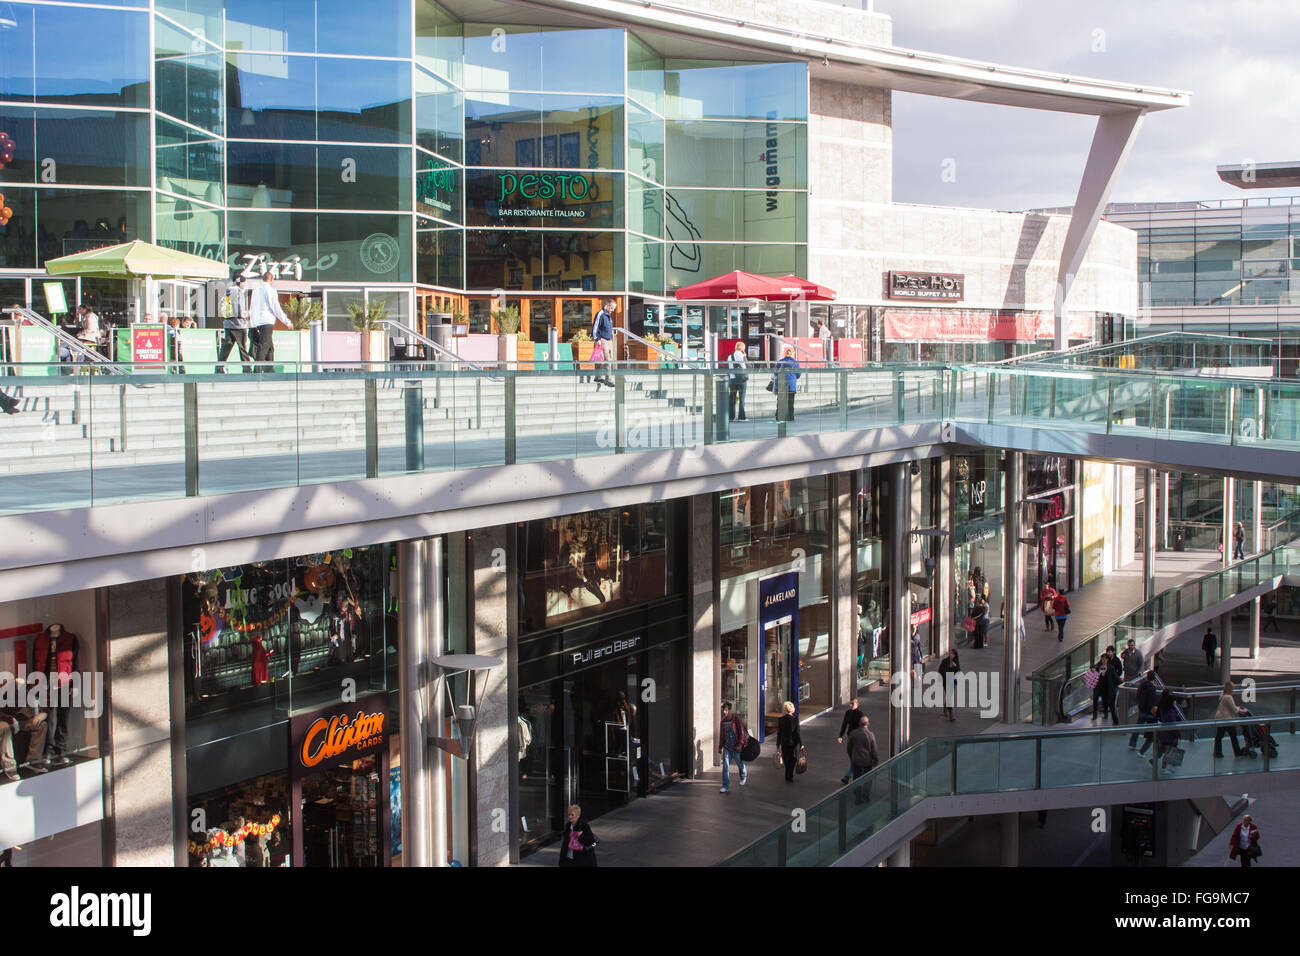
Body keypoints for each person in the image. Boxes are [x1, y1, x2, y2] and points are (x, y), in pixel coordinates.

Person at [248, 273, 287, 366]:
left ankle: (270, 368)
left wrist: (252, 323)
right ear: (271, 280)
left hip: (257, 321)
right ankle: (258, 370)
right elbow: (275, 307)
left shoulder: (256, 290)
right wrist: (286, 321)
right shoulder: (271, 290)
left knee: (269, 347)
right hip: (267, 321)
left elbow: (252, 307)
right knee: (264, 345)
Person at [0, 704, 48, 781]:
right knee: (4, 727)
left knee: (41, 725)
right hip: (4, 720)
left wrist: (44, 712)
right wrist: (8, 718)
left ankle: (34, 761)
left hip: (16, 718)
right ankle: (9, 767)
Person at [217, 277, 252, 373]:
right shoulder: (239, 292)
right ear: (241, 283)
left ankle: (219, 368)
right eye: (245, 283)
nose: (245, 285)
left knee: (226, 348)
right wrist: (245, 314)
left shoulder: (228, 291)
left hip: (228, 324)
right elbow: (239, 308)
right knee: (242, 348)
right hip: (239, 325)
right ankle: (247, 368)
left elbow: (221, 305)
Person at [846, 715, 879, 805]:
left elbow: (849, 748)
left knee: (856, 778)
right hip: (867, 761)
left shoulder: (853, 733)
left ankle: (858, 798)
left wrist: (851, 757)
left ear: (859, 723)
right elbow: (874, 750)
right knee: (868, 779)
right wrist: (875, 761)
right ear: (867, 724)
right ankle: (866, 795)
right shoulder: (870, 734)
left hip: (856, 760)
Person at [717, 701, 748, 793]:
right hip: (727, 747)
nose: (724, 712)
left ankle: (743, 776)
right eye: (723, 710)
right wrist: (720, 747)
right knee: (725, 766)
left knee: (739, 763)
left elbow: (742, 732)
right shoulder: (722, 721)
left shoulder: (736, 719)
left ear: (730, 710)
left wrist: (740, 744)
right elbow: (722, 736)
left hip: (736, 747)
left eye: (726, 710)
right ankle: (725, 786)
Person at [1213, 679, 1248, 759]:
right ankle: (1237, 752)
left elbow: (1228, 707)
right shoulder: (1228, 697)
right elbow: (1234, 710)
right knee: (1233, 736)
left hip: (1220, 718)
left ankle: (1217, 752)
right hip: (1227, 719)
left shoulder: (1222, 694)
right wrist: (1243, 710)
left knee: (1219, 736)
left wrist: (1237, 707)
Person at [1129, 670, 1159, 754]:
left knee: (1138, 727)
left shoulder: (1142, 685)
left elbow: (1138, 696)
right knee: (1151, 732)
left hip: (1142, 709)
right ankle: (1143, 750)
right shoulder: (1152, 689)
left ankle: (1132, 743)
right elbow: (1152, 701)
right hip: (1149, 712)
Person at [837, 698, 864, 784]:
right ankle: (859, 774)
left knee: (853, 758)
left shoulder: (860, 714)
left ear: (857, 704)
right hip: (850, 737)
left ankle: (847, 776)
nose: (851, 705)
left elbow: (862, 727)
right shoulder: (847, 713)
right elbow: (844, 724)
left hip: (858, 738)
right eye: (850, 704)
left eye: (852, 704)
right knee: (854, 757)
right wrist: (840, 736)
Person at [1155, 689, 1182, 774]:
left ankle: (1166, 766)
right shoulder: (1170, 712)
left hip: (1163, 733)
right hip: (1169, 734)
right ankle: (1164, 768)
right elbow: (1173, 724)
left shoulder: (1163, 708)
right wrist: (1177, 734)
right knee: (1168, 750)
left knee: (1166, 750)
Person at [592, 298, 616, 389]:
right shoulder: (600, 314)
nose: (613, 310)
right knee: (606, 359)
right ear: (608, 305)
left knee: (608, 358)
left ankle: (599, 376)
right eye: (612, 308)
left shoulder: (608, 315)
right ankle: (608, 378)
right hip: (602, 340)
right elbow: (595, 327)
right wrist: (596, 339)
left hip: (609, 340)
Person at [776, 701, 801, 782]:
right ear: (792, 709)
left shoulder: (781, 719)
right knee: (793, 759)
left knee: (786, 758)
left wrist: (778, 743)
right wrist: (801, 744)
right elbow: (798, 733)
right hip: (793, 743)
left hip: (784, 742)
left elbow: (779, 733)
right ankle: (790, 774)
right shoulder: (795, 719)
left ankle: (787, 773)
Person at [774, 347, 800, 422]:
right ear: (793, 354)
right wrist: (793, 377)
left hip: (781, 383)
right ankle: (790, 417)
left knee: (780, 401)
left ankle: (779, 416)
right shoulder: (795, 362)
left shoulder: (780, 362)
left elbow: (775, 372)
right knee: (791, 401)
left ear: (785, 353)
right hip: (791, 384)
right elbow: (798, 374)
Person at [727, 343, 749, 422]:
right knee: (741, 398)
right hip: (741, 379)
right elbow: (748, 365)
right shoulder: (742, 356)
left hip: (732, 379)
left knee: (732, 398)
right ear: (742, 348)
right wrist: (745, 356)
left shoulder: (730, 356)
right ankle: (741, 417)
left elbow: (728, 367)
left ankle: (731, 417)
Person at [938, 647, 960, 721]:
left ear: (955, 655)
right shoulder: (945, 661)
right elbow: (940, 671)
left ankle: (945, 706)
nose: (951, 655)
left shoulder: (956, 661)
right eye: (950, 653)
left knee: (949, 695)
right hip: (945, 680)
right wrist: (949, 667)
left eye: (952, 654)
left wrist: (955, 667)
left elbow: (958, 671)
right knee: (949, 696)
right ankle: (951, 714)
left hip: (952, 680)